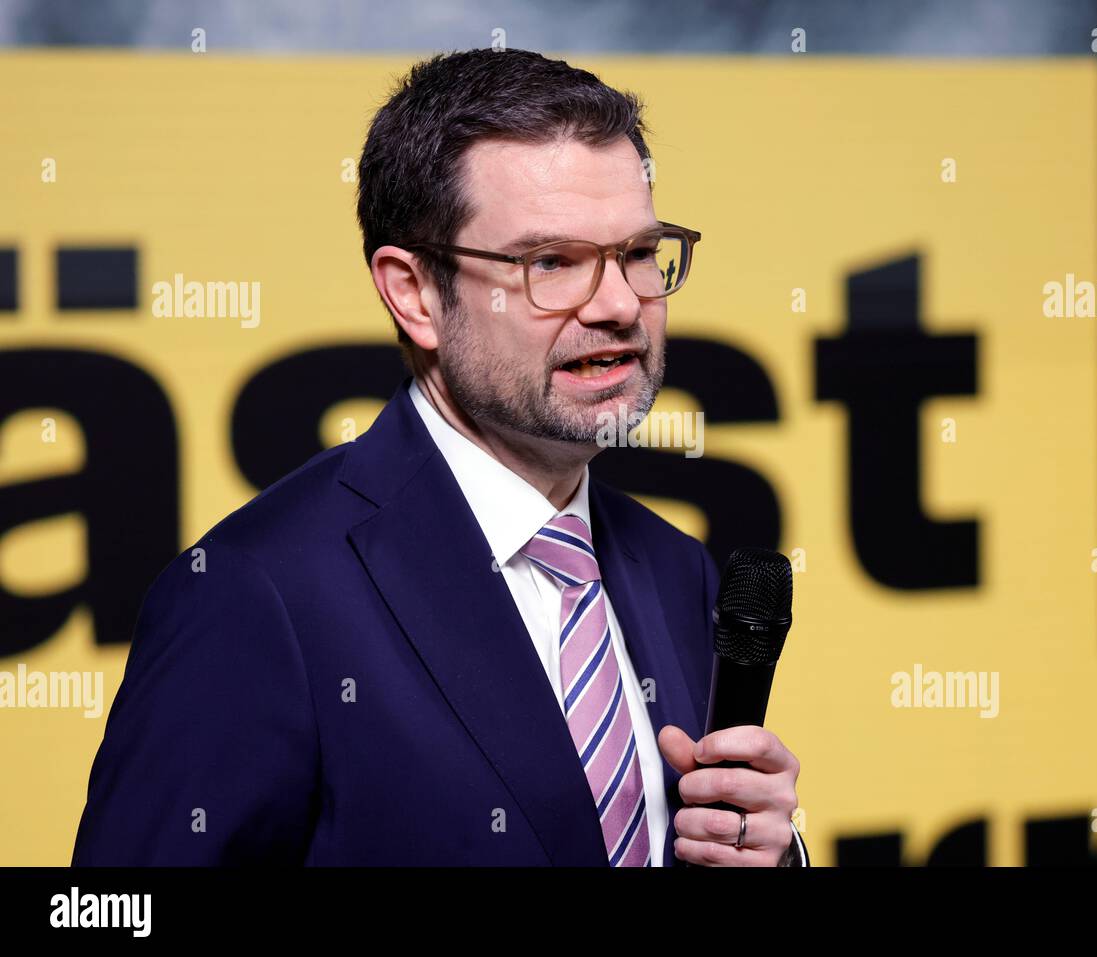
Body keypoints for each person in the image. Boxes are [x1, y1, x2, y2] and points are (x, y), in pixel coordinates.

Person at [72, 48, 807, 867]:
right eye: (551, 263)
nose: (619, 305)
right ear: (414, 293)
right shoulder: (256, 594)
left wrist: (770, 855)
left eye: (638, 252)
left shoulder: (678, 569)